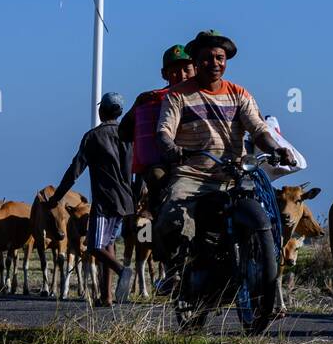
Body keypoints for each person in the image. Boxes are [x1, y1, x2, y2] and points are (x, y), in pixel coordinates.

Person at [154, 30, 295, 284]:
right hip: (192, 176)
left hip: (235, 175)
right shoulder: (178, 96)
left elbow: (259, 128)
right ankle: (174, 273)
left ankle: (265, 282)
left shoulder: (240, 94)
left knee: (269, 217)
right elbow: (164, 130)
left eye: (220, 57)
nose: (215, 63)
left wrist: (276, 149)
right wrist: (170, 146)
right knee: (173, 218)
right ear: (196, 62)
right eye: (207, 58)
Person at [46, 92, 135, 306]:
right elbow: (130, 169)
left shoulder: (93, 137)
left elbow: (74, 171)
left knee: (94, 246)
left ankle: (122, 270)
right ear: (120, 112)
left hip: (105, 201)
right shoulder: (128, 136)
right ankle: (106, 296)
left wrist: (57, 197)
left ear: (101, 110)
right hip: (125, 200)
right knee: (109, 243)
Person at [118, 45, 196, 216]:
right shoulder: (151, 99)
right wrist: (137, 107)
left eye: (186, 69)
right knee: (156, 176)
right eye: (175, 71)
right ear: (164, 74)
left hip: (200, 163)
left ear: (195, 69)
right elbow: (123, 132)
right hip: (166, 165)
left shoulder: (206, 97)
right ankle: (151, 225)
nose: (182, 75)